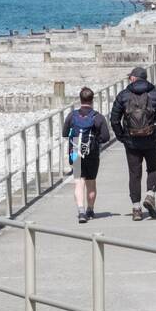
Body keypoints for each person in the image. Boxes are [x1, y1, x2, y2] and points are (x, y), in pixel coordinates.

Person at [111, 66, 156, 221]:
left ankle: (136, 209)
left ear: (133, 78)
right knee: (153, 168)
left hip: (131, 141)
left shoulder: (123, 95)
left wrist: (121, 136)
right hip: (152, 139)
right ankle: (150, 195)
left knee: (134, 174)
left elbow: (114, 119)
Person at [64, 87, 113, 224]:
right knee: (91, 183)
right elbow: (106, 137)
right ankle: (90, 210)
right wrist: (95, 141)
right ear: (92, 100)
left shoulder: (72, 115)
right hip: (92, 153)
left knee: (78, 182)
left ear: (80, 99)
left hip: (75, 151)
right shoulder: (98, 117)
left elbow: (64, 132)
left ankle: (81, 211)